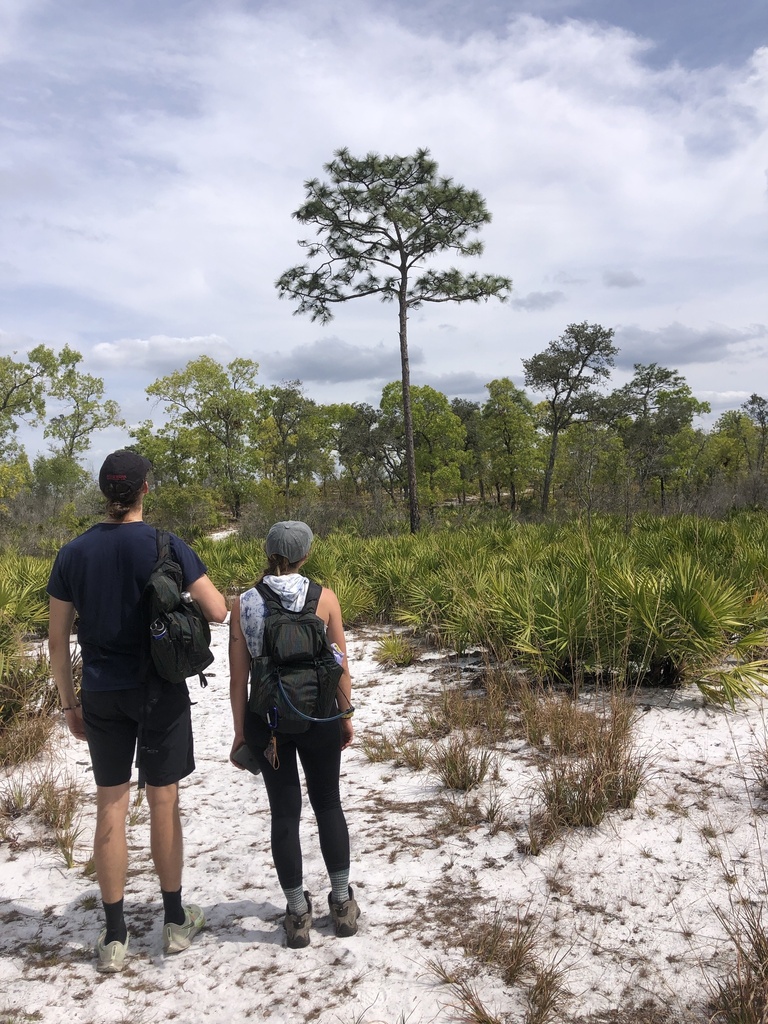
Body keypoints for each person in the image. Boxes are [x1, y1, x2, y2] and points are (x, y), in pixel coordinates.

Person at [47, 450, 228, 973]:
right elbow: (216, 609)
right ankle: (174, 922)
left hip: (102, 692)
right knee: (164, 800)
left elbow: (58, 643)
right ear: (146, 489)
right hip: (159, 690)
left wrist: (69, 703)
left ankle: (114, 935)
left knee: (111, 805)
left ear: (105, 492)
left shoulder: (72, 554)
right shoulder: (166, 545)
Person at [228, 520, 359, 948]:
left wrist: (240, 734)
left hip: (268, 724)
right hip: (319, 716)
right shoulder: (325, 599)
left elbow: (238, 680)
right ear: (305, 554)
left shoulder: (244, 604)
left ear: (269, 553)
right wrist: (345, 716)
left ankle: (298, 915)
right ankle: (341, 906)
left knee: (284, 814)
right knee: (328, 804)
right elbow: (339, 664)